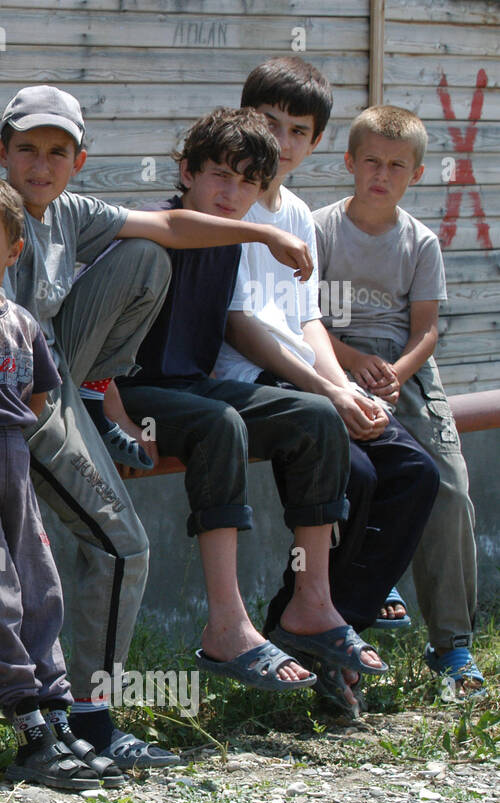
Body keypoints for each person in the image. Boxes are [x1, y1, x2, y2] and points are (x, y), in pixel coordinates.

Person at [0, 86, 313, 765]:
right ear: (2, 152)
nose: (41, 164)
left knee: (143, 253)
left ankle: (94, 390)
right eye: (27, 148)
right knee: (121, 549)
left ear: (78, 161)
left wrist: (263, 230)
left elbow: (168, 229)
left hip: (56, 389)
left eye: (57, 151)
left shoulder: (71, 212)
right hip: (7, 408)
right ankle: (81, 724)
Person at [213, 59, 439, 714]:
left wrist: (347, 388)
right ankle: (307, 621)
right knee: (357, 475)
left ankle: (324, 623)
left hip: (310, 377)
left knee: (414, 473)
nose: (282, 142)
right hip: (252, 380)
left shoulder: (300, 218)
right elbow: (241, 323)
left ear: (316, 145)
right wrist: (328, 391)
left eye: (299, 131)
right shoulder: (228, 202)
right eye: (270, 123)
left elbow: (305, 317)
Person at [116, 108, 364, 695]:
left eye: (249, 181)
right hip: (131, 391)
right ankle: (227, 625)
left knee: (316, 416)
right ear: (186, 171)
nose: (232, 193)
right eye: (219, 175)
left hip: (190, 388)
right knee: (219, 422)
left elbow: (255, 321)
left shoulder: (230, 240)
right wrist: (116, 415)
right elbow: (89, 342)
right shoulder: (150, 230)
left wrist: (331, 384)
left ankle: (311, 602)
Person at [0, 174, 122, 791]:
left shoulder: (23, 322)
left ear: (15, 249)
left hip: (15, 461)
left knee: (41, 585)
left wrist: (17, 445)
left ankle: (58, 719)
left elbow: (40, 395)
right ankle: (26, 728)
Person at [315, 104, 486, 700]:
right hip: (332, 363)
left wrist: (399, 373)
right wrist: (348, 362)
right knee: (354, 475)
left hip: (404, 370)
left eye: (395, 166)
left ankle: (452, 644)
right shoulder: (319, 229)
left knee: (450, 487)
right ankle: (351, 620)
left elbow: (428, 329)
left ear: (414, 174)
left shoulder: (420, 241)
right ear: (349, 164)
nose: (381, 175)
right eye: (371, 162)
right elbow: (298, 318)